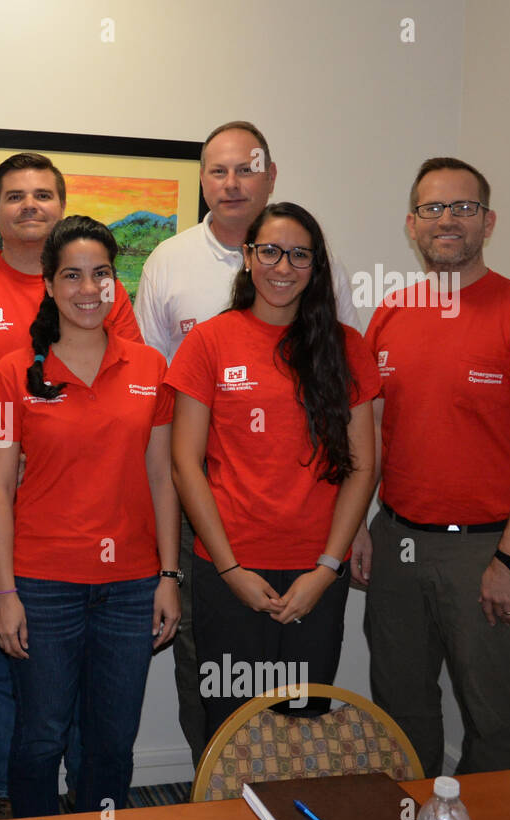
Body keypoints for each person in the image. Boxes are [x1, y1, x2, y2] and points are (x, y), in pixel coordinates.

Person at [134, 121, 364, 767]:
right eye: (217, 170)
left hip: (315, 550)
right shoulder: (180, 285)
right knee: (219, 703)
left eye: (297, 256)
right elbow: (168, 432)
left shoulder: (340, 334)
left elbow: (359, 451)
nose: (282, 267)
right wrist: (219, 561)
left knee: (301, 713)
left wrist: (336, 555)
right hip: (215, 533)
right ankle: (216, 808)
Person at [352, 158, 510, 776]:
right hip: (396, 540)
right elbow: (373, 434)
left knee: (494, 721)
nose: (448, 220)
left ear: (488, 221)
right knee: (400, 712)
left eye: (464, 208)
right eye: (433, 209)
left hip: (486, 551)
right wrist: (355, 526)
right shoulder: (389, 315)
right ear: (412, 224)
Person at [0, 153, 142, 818]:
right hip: (6, 520)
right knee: (6, 685)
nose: (30, 205)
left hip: (99, 538)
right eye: (16, 195)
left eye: (44, 194)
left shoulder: (106, 296)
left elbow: (129, 391)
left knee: (94, 707)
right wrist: (12, 442)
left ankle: (88, 811)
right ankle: (10, 804)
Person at [0, 215, 179, 819]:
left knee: (112, 741)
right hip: (42, 585)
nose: (88, 289)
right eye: (72, 275)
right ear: (48, 283)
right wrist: (5, 591)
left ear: (116, 283)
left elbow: (161, 479)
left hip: (130, 587)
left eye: (101, 274)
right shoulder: (10, 373)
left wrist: (168, 577)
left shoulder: (149, 369)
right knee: (40, 736)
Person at [166, 202, 379, 739]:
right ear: (247, 256)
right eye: (270, 252)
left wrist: (328, 569)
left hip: (315, 572)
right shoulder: (209, 341)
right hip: (229, 570)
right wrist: (230, 569)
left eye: (299, 255)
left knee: (301, 728)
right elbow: (184, 463)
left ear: (316, 266)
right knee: (230, 728)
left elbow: (362, 465)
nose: (283, 267)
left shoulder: (346, 348)